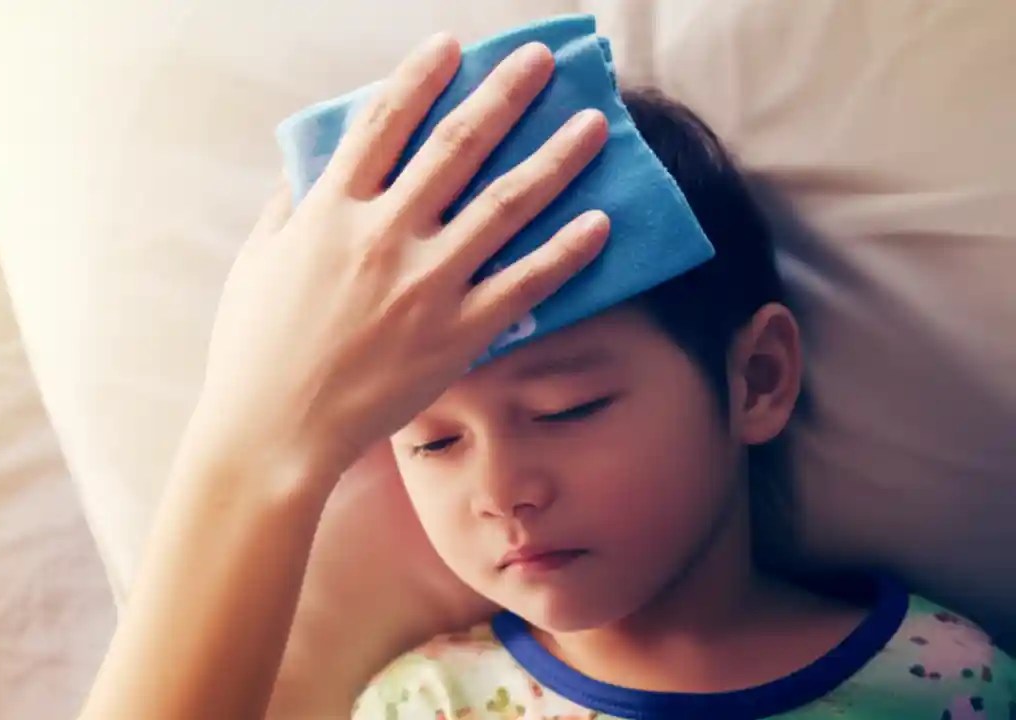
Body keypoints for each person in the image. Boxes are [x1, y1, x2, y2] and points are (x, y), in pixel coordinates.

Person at [78, 32, 1015, 720]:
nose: (500, 491)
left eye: (570, 408)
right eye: (434, 439)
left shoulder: (944, 678)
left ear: (757, 379)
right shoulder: (427, 703)